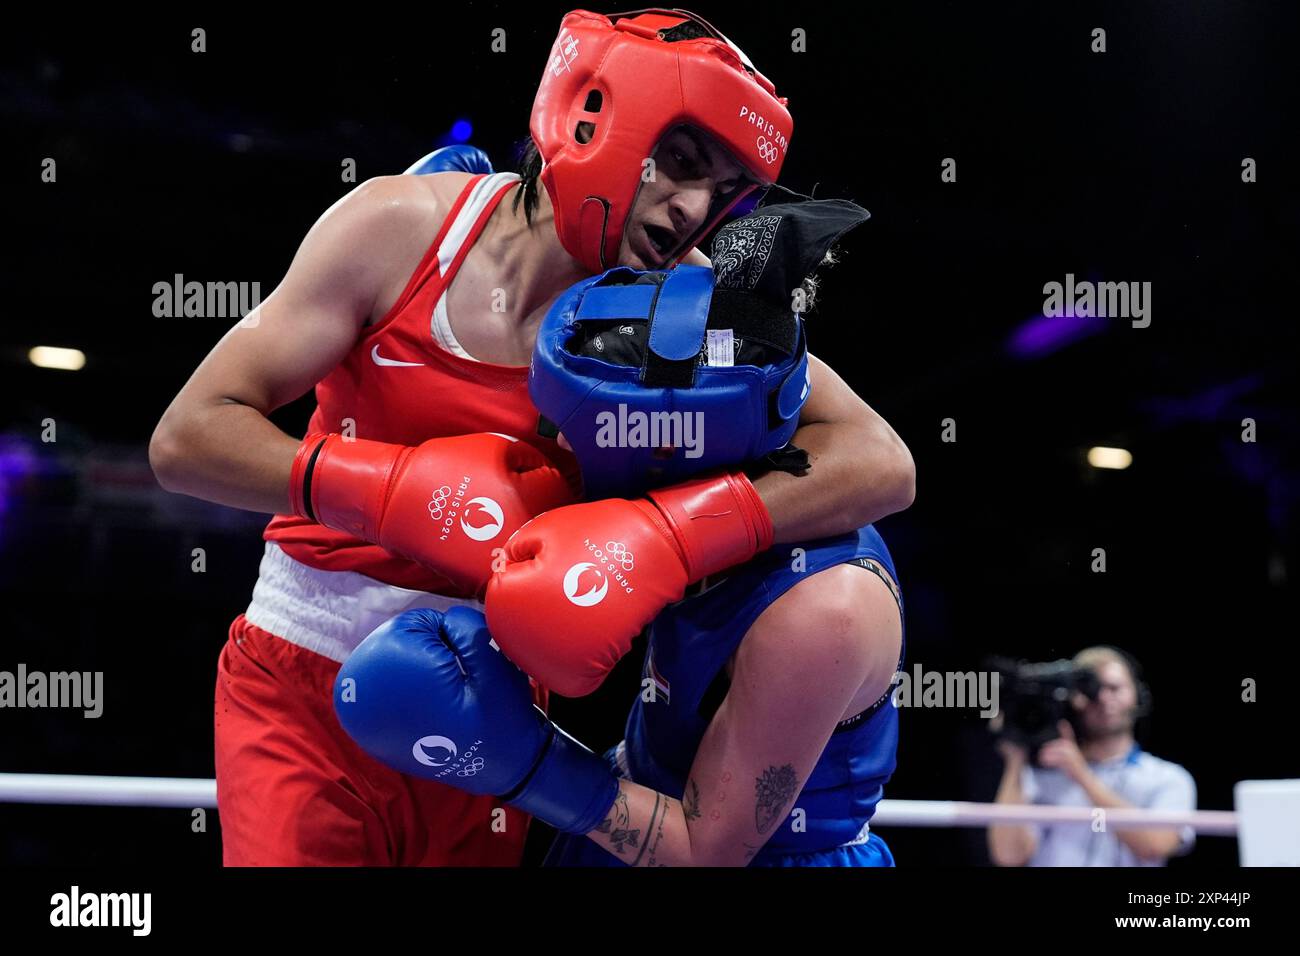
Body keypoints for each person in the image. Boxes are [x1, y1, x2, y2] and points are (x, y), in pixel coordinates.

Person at [150, 8, 914, 866]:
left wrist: (668, 534)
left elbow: (881, 461)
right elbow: (188, 438)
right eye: (683, 160)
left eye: (726, 189)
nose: (696, 208)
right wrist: (390, 491)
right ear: (594, 115)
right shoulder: (400, 226)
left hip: (492, 704)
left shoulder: (684, 308)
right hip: (302, 673)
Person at [336, 199, 908, 866]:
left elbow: (706, 852)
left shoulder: (824, 612)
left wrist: (524, 764)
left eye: (577, 428)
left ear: (665, 446)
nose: (559, 444)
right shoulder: (697, 503)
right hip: (629, 819)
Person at [988, 646, 1197, 867]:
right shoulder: (1043, 775)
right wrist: (1016, 761)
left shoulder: (1168, 778)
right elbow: (1008, 856)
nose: (1104, 698)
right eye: (1091, 690)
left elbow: (1156, 846)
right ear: (1072, 700)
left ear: (1138, 695)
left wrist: (1082, 775)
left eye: (1114, 688)